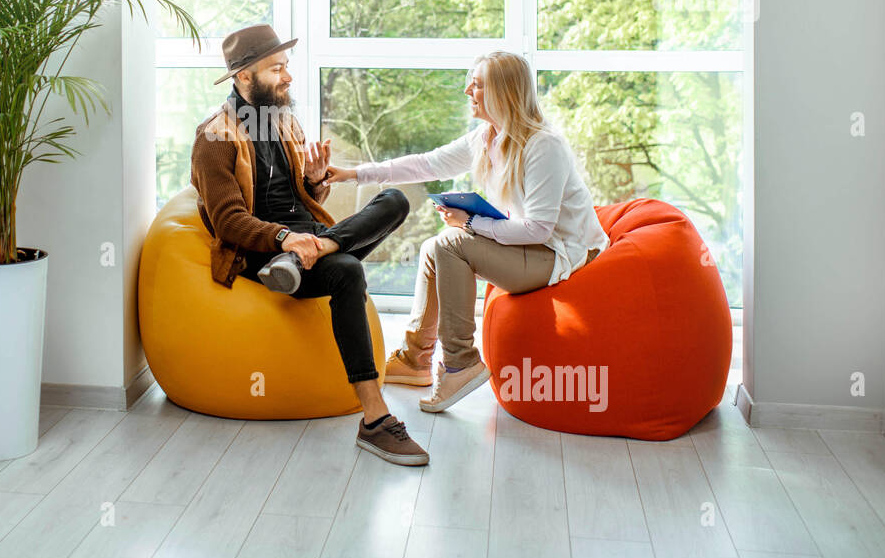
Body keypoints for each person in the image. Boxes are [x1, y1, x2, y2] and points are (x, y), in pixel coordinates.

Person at [190, 24, 429, 466]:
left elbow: (299, 196)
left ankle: (315, 253)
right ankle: (375, 420)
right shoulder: (214, 138)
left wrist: (315, 183)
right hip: (261, 251)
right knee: (348, 272)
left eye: (286, 67)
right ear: (244, 77)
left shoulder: (284, 122)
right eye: (276, 68)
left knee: (394, 200)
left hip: (306, 240)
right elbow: (228, 222)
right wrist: (284, 237)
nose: (287, 77)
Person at [325, 50, 610, 414]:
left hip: (562, 254)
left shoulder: (543, 145)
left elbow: (539, 229)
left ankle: (461, 363)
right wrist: (353, 174)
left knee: (450, 243)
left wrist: (472, 223)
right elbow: (426, 164)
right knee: (433, 247)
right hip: (535, 245)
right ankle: (415, 360)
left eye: (476, 84)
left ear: (503, 92)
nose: (466, 91)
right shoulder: (487, 137)